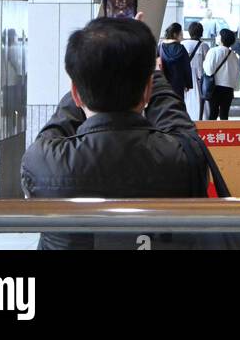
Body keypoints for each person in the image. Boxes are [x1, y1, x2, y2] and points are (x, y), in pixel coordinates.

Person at [21, 18, 210, 250]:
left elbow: (59, 124)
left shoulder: (43, 161)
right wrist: (147, 66)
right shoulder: (184, 156)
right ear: (148, 90)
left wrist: (91, 69)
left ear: (76, 93)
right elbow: (175, 117)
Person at [203, 29, 240, 120]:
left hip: (215, 87)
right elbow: (236, 74)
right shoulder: (234, 55)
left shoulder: (213, 51)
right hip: (229, 88)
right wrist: (235, 88)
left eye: (218, 35)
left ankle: (212, 133)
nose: (216, 37)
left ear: (222, 39)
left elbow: (209, 71)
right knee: (224, 115)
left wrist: (204, 63)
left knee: (212, 114)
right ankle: (224, 133)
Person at [159, 22, 193, 100]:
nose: (182, 37)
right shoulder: (181, 48)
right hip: (178, 83)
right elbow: (186, 67)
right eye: (181, 34)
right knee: (177, 103)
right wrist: (188, 84)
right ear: (175, 35)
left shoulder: (160, 46)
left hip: (164, 82)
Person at [185, 20, 210, 121]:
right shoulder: (204, 46)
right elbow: (207, 63)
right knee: (199, 101)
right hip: (199, 77)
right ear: (201, 33)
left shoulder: (183, 43)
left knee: (187, 100)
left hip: (185, 76)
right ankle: (200, 120)